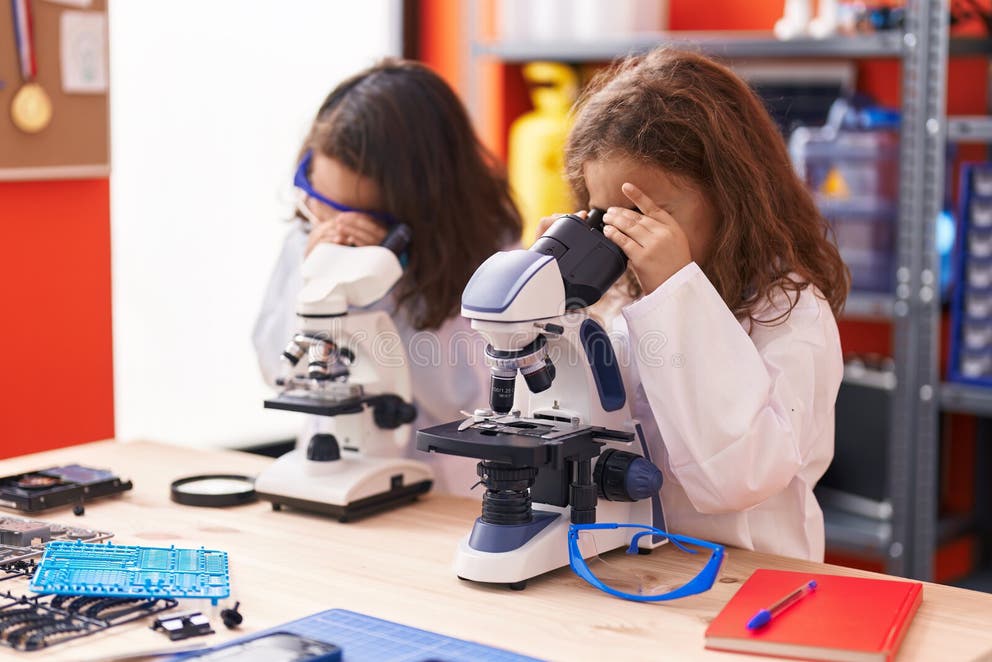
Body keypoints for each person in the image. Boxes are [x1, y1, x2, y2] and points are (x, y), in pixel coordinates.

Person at [557, 48, 849, 562]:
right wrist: (558, 310)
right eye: (605, 216)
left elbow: (738, 476)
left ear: (731, 197)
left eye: (647, 213)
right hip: (634, 563)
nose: (624, 235)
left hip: (751, 574)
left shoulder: (791, 311)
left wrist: (674, 293)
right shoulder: (621, 298)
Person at [253, 59, 522, 495]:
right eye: (319, 196)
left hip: (440, 489)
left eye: (354, 216)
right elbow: (276, 365)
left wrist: (380, 286)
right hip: (332, 469)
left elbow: (468, 399)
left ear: (418, 213)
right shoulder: (308, 236)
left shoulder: (490, 260)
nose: (331, 223)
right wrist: (316, 283)